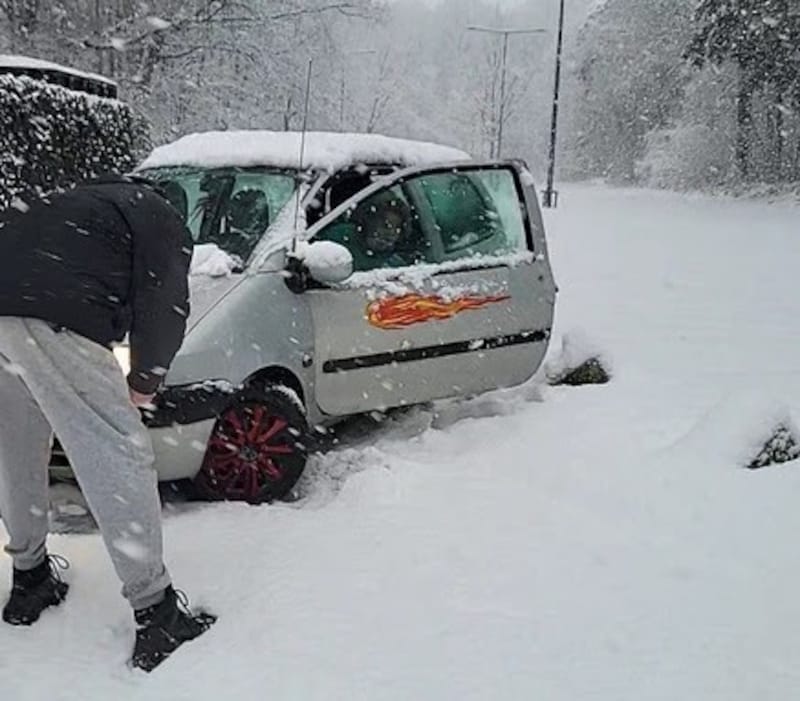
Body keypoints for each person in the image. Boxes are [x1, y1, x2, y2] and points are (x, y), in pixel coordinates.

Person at [0, 175, 215, 672]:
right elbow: (165, 307)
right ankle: (157, 613)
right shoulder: (158, 217)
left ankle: (31, 579)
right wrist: (145, 381)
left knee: (14, 444)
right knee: (113, 448)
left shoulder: (73, 198)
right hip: (54, 313)